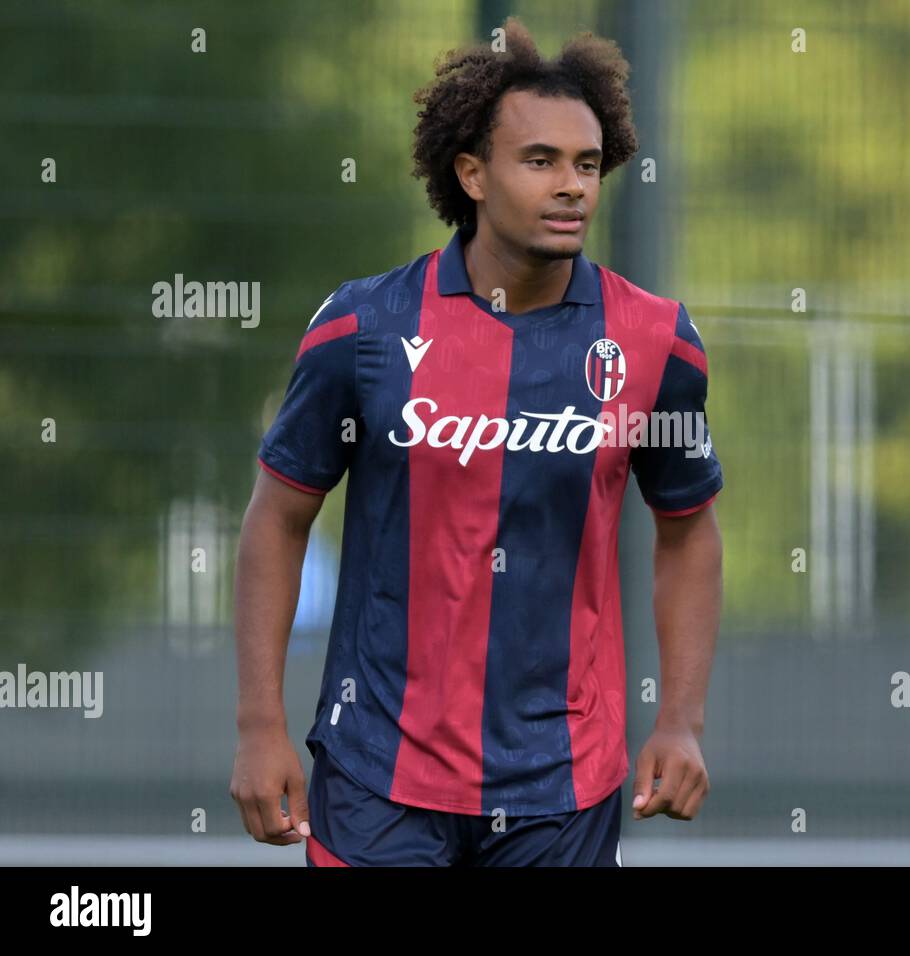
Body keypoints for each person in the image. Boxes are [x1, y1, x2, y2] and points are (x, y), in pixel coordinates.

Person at [229, 18, 724, 867]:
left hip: (562, 787)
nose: (571, 186)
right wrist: (258, 725)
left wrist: (680, 718)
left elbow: (687, 530)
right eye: (540, 161)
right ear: (472, 173)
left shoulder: (655, 342)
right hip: (375, 775)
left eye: (587, 164)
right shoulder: (364, 327)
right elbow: (277, 519)